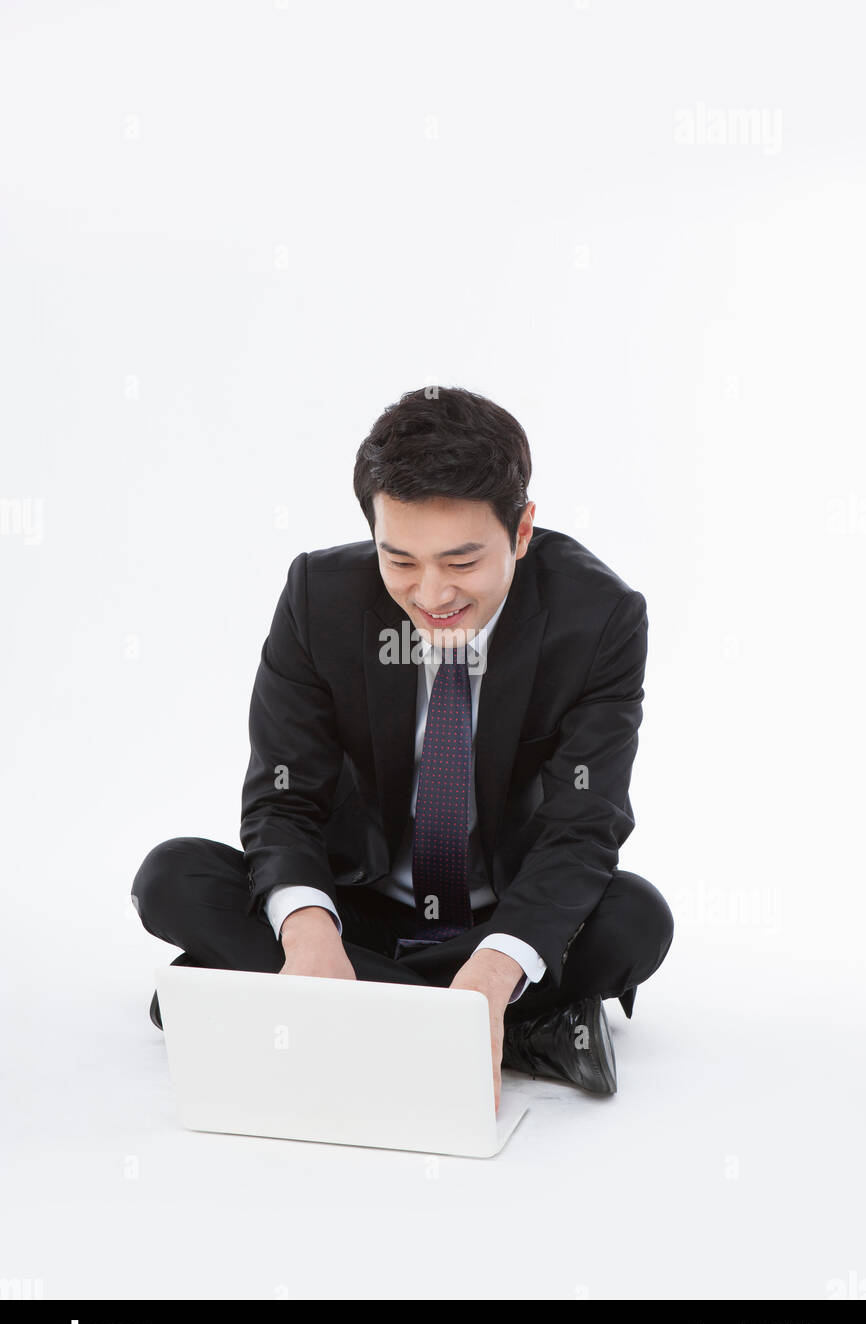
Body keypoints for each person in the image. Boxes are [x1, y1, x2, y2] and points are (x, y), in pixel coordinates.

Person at [131, 385, 674, 1114]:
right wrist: (311, 934)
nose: (431, 594)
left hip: (498, 913)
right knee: (172, 876)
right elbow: (283, 799)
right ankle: (526, 1029)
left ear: (521, 530)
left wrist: (493, 967)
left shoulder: (600, 617)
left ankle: (268, 991)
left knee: (635, 921)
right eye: (401, 560)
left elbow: (584, 824)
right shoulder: (317, 596)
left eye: (461, 561)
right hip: (359, 905)